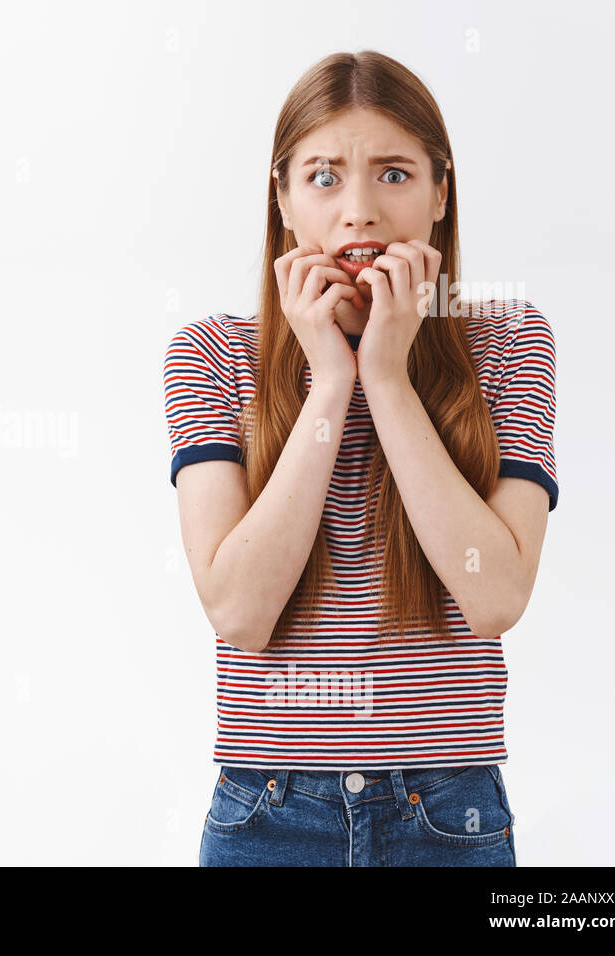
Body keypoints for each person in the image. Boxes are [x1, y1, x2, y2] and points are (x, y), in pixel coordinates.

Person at [162, 50, 557, 867]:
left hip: (448, 810)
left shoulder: (512, 342)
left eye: (395, 174)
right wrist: (331, 383)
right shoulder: (212, 354)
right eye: (325, 177)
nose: (360, 213)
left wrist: (386, 374)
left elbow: (495, 595)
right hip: (268, 812)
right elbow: (239, 610)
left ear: (441, 193)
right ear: (282, 199)